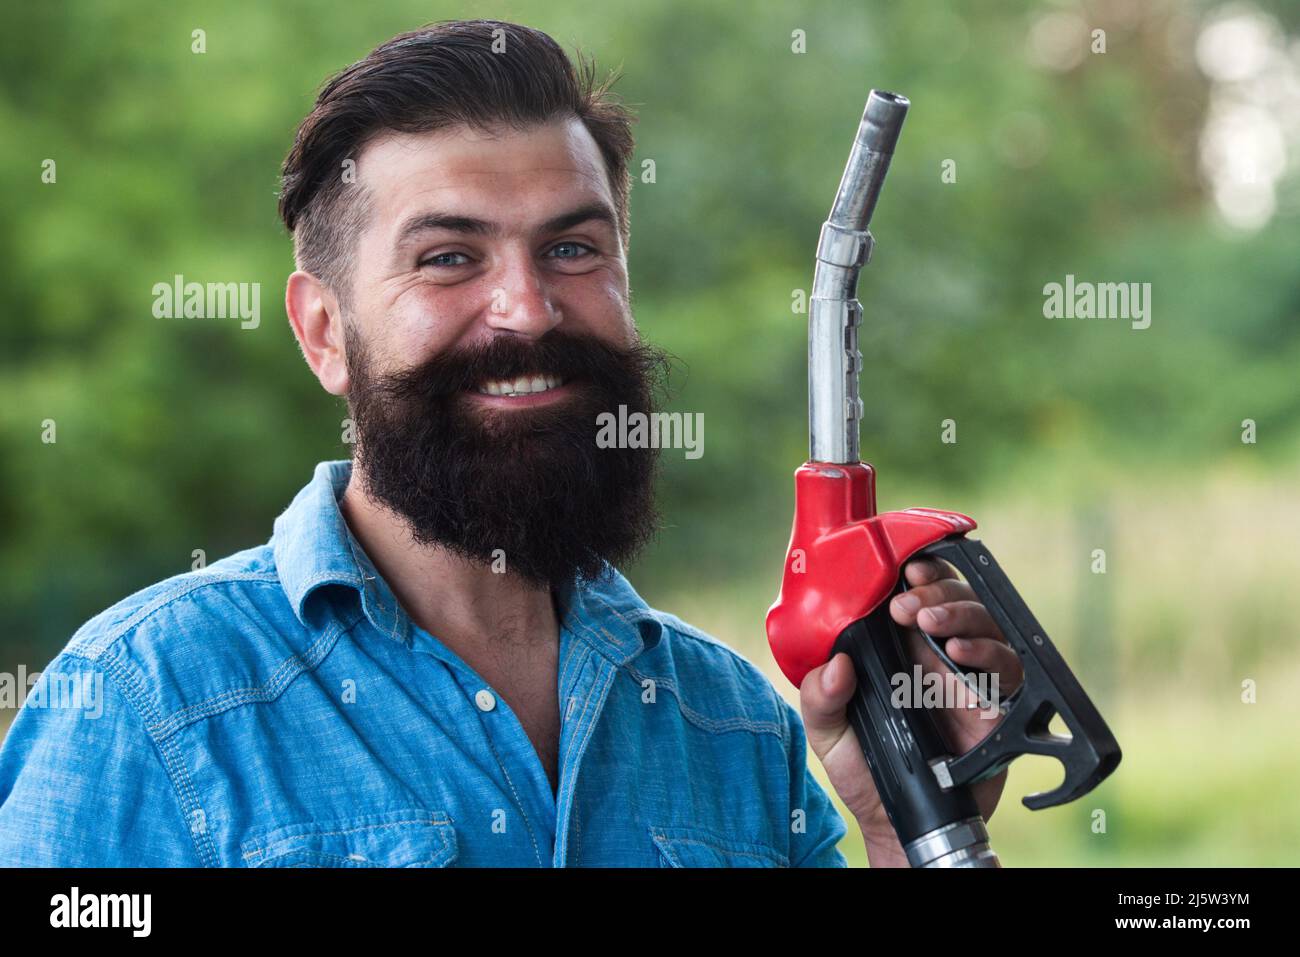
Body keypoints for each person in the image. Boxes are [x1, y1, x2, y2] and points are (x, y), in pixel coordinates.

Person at [0, 19, 1021, 867]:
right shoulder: (144, 705)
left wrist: (904, 829)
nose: (527, 312)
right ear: (323, 333)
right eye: (448, 259)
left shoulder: (733, 726)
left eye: (572, 249)